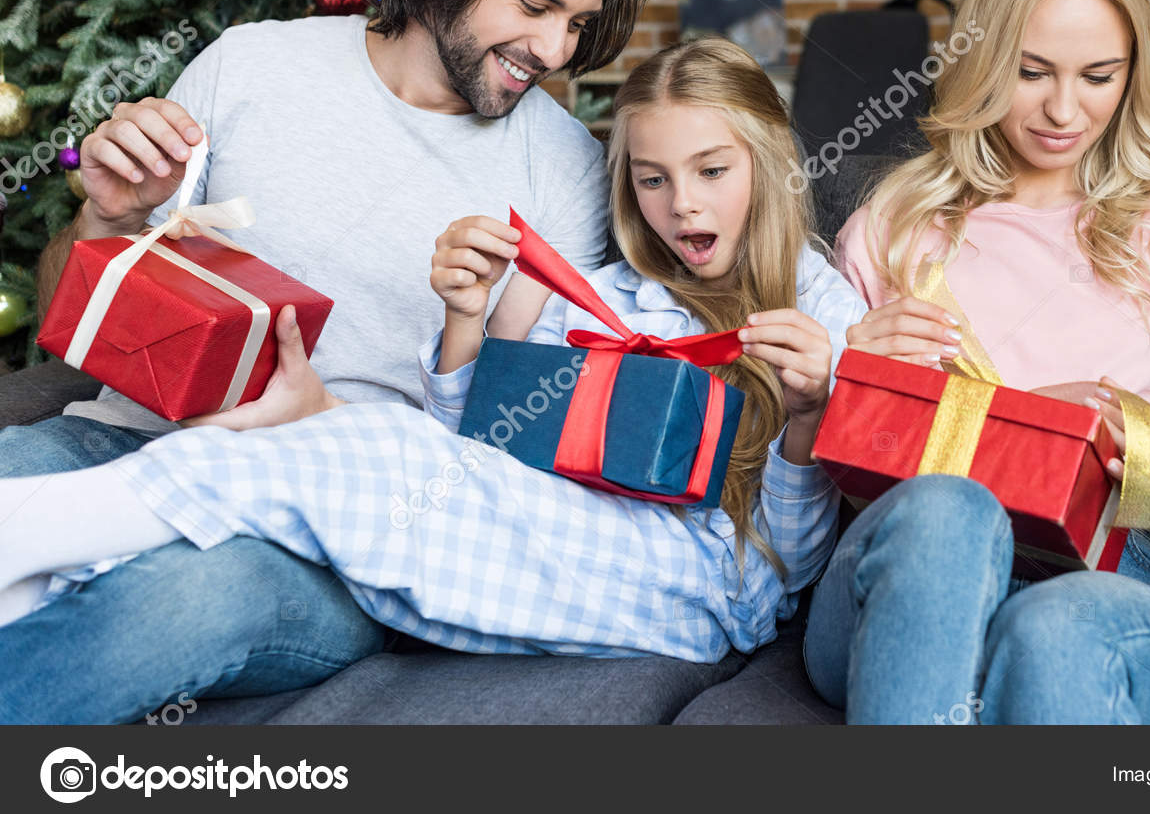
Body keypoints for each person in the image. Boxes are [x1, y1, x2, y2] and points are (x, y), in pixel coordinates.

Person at [0, 0, 656, 723]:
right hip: (130, 444)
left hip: (338, 532)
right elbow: (69, 325)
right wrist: (108, 217)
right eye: (534, 6)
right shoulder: (250, 67)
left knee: (183, 600)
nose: (553, 51)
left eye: (577, 25)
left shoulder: (562, 171)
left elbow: (517, 465)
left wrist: (326, 419)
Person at [0, 38, 867, 664]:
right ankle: (40, 564)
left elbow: (790, 572)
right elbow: (478, 449)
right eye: (652, 178)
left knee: (373, 444)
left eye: (713, 171)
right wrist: (465, 318)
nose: (681, 205)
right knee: (376, 446)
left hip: (702, 584)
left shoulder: (821, 307)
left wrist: (804, 416)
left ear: (768, 159)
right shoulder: (606, 296)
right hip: (559, 525)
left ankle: (38, 530)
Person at [802, 0, 1150, 724]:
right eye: (1032, 71)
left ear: (1134, 71)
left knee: (1050, 630)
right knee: (948, 509)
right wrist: (848, 387)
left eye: (1098, 75)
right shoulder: (890, 233)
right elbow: (840, 506)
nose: (1063, 112)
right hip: (913, 577)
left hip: (1107, 571)